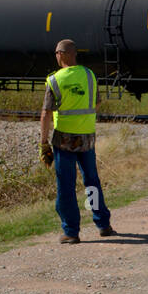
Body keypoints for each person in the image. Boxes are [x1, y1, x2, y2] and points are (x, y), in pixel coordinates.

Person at [39, 39, 116, 243]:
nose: (55, 56)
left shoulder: (54, 80)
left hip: (64, 139)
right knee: (92, 181)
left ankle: (71, 231)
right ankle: (103, 224)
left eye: (56, 53)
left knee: (66, 185)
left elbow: (46, 113)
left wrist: (43, 143)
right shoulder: (89, 75)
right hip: (87, 138)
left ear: (62, 54)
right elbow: (97, 103)